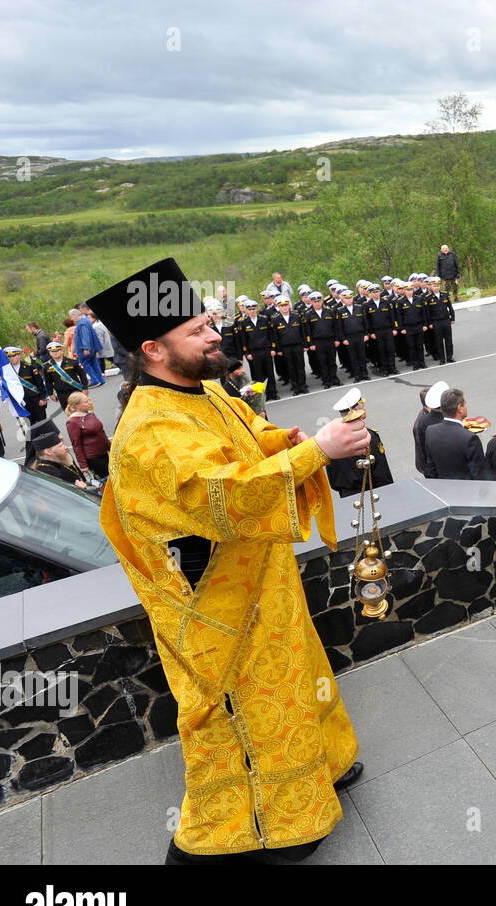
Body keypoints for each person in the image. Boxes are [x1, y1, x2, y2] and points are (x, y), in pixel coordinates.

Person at [87, 257, 369, 863]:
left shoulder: (207, 389)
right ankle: (257, 833)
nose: (215, 333)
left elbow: (244, 444)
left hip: (263, 584)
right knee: (243, 717)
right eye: (196, 330)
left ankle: (320, 770)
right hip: (217, 610)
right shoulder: (150, 430)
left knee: (296, 683)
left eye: (209, 321)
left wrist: (284, 443)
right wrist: (318, 450)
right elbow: (222, 496)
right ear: (153, 350)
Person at [325, 389, 394, 498]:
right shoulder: (368, 437)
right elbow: (381, 472)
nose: (364, 408)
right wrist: (390, 493)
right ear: (355, 410)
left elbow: (332, 477)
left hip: (346, 494)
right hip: (371, 494)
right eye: (362, 405)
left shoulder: (330, 439)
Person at [423, 387, 486, 480]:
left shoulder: (430, 431)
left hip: (443, 488)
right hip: (466, 490)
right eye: (465, 404)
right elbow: (480, 474)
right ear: (460, 408)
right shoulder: (470, 439)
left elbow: (431, 468)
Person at [28, 425, 93, 492]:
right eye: (60, 446)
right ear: (49, 451)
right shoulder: (50, 474)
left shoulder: (58, 459)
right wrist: (80, 489)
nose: (65, 447)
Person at [65, 390, 111, 478]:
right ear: (77, 406)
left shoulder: (90, 414)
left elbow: (101, 433)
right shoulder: (72, 422)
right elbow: (76, 444)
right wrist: (83, 465)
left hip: (103, 453)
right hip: (94, 458)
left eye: (89, 400)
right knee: (106, 480)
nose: (90, 403)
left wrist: (110, 448)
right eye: (86, 402)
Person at [43, 341, 88, 407]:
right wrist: (51, 393)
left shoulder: (72, 362)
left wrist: (85, 388)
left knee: (82, 410)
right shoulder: (47, 366)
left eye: (57, 350)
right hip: (62, 394)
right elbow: (48, 381)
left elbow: (82, 375)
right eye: (52, 351)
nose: (55, 353)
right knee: (69, 413)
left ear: (62, 351)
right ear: (50, 353)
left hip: (76, 390)